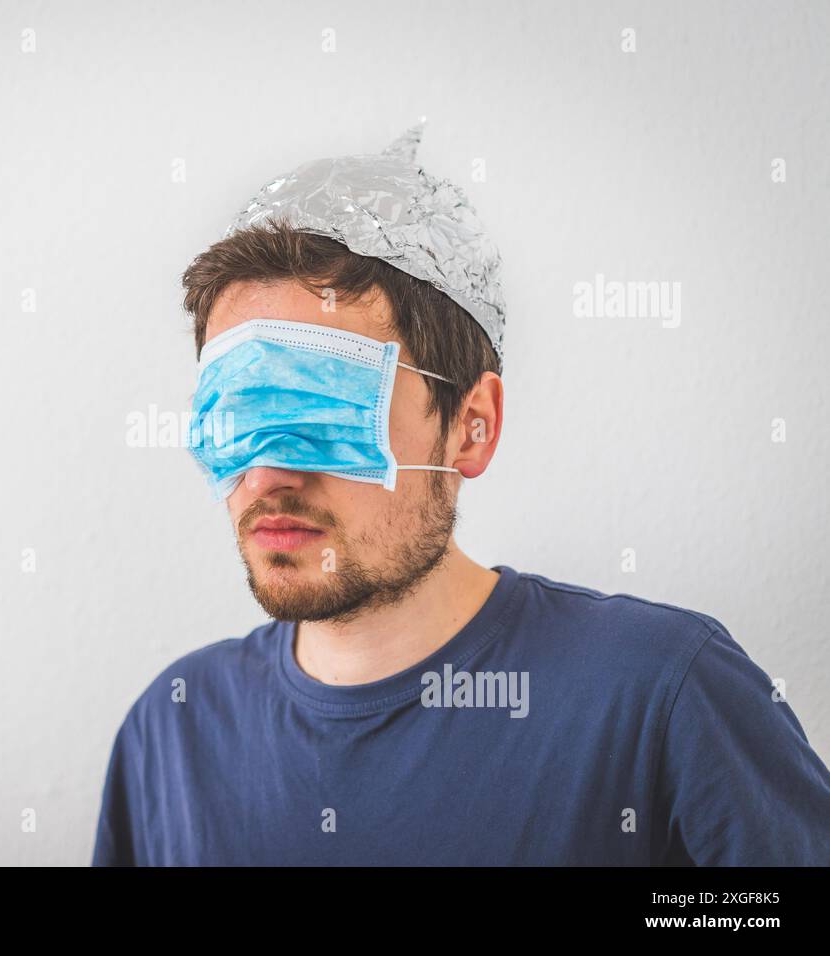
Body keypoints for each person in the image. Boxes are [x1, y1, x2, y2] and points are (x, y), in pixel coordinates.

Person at [91, 128, 830, 866]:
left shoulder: (659, 695)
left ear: (471, 427)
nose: (267, 474)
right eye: (238, 416)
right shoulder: (170, 731)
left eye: (321, 413)